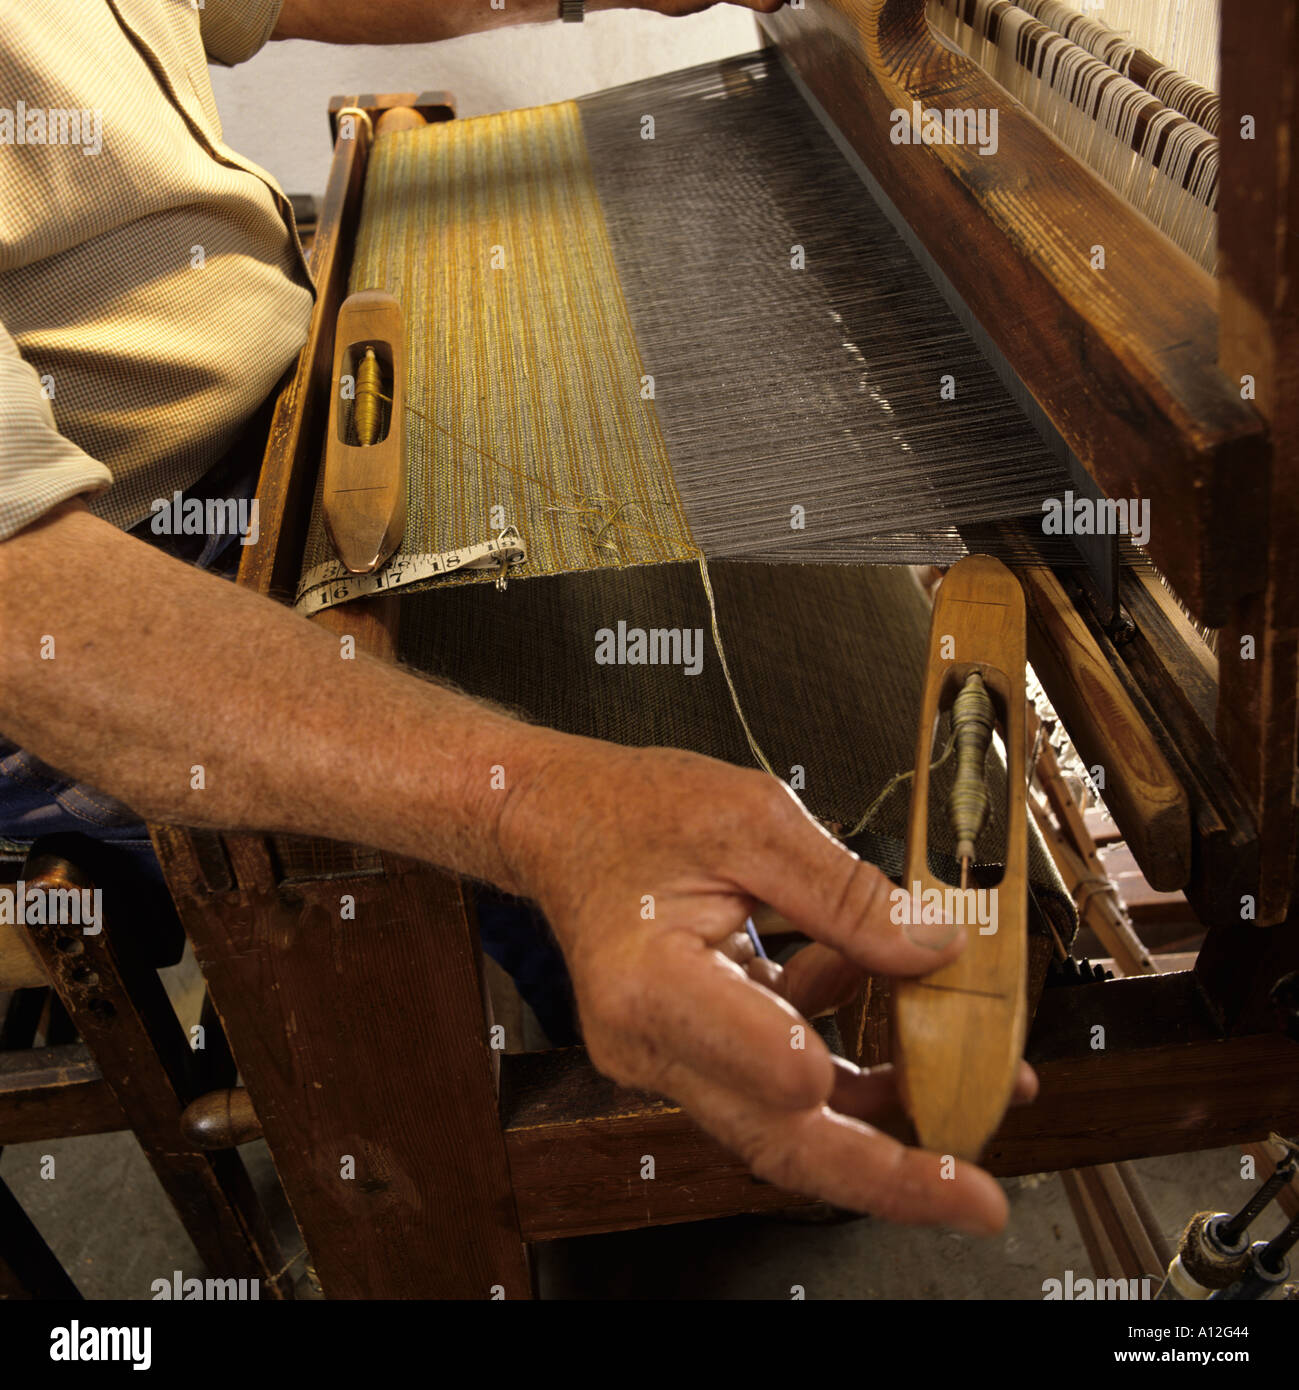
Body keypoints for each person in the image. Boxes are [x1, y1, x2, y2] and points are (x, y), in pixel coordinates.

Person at [0, 0, 1030, 1236]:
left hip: (295, 381)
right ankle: (666, 1063)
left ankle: (685, 965)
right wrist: (539, 809)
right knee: (574, 722)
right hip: (122, 570)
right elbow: (25, 602)